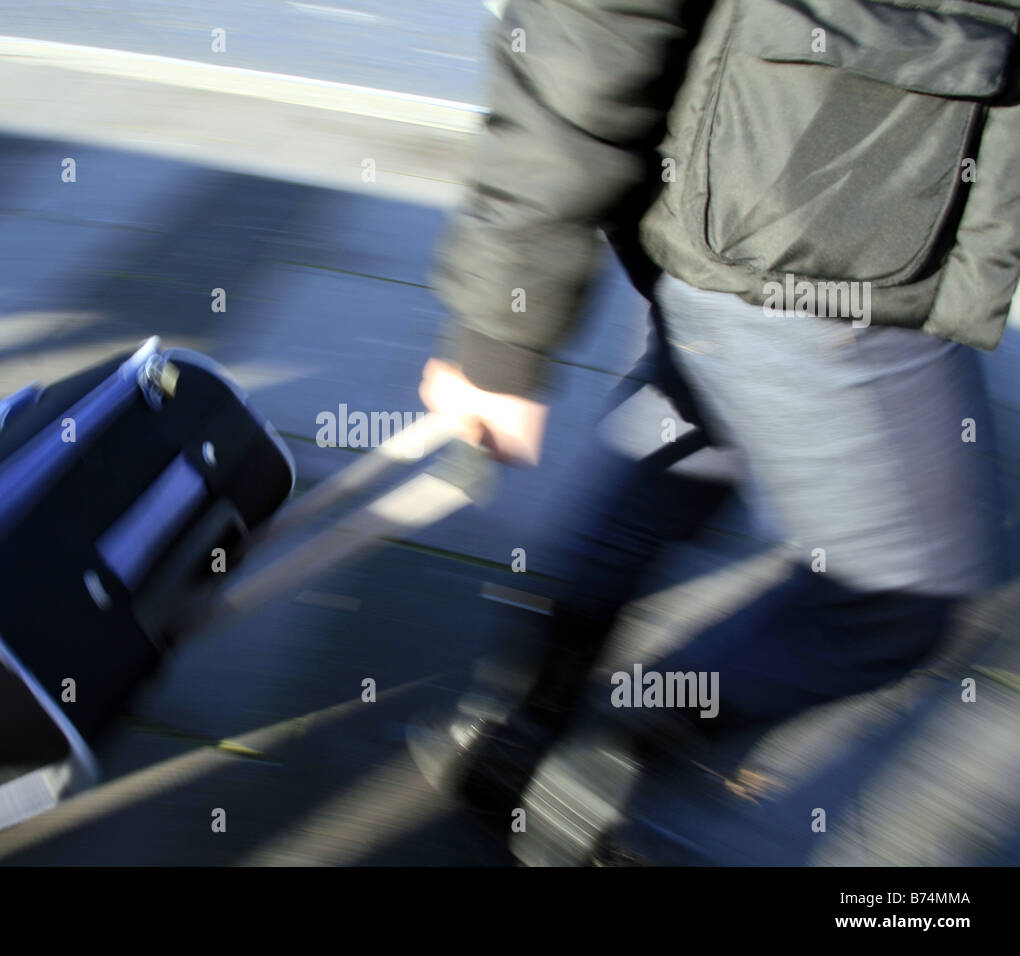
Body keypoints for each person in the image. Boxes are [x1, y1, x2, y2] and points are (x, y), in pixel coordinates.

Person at [409, 0, 1015, 857]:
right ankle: (593, 770)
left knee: (693, 432)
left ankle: (521, 729)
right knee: (895, 599)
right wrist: (501, 330)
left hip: (766, 175)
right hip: (831, 222)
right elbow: (585, 23)